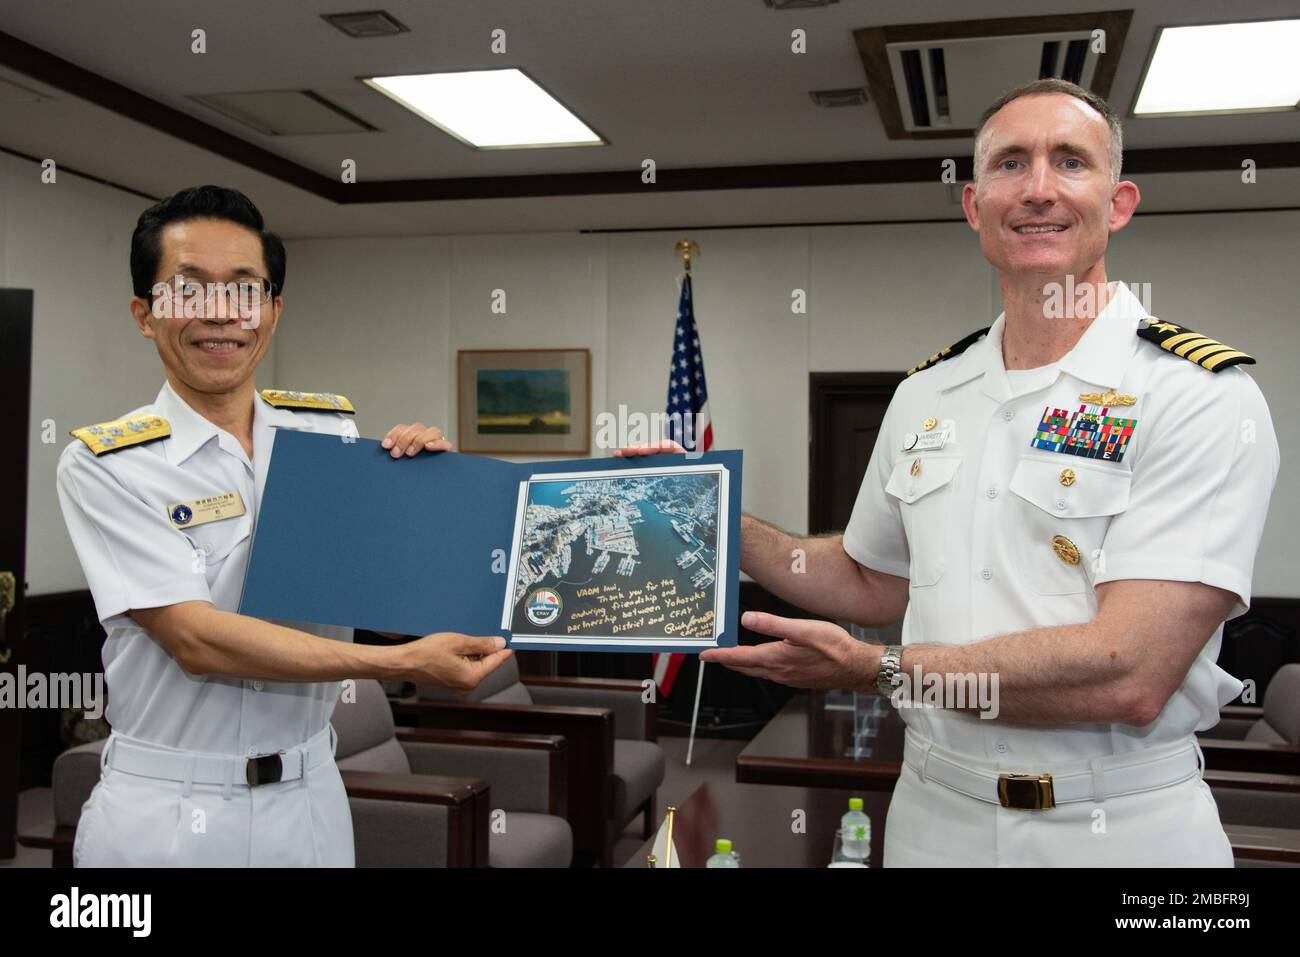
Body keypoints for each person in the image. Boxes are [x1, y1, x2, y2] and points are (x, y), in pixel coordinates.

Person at [624, 79, 1278, 866]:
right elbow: (872, 579)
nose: (1038, 188)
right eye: (1010, 164)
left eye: (1070, 162)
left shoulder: (1196, 394)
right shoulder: (927, 393)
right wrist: (711, 514)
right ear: (974, 206)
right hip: (933, 818)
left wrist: (879, 668)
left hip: (1120, 826)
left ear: (1120, 201)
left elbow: (1130, 674)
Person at [56, 185, 511, 867]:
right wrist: (397, 665)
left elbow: (366, 598)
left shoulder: (324, 435)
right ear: (145, 314)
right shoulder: (108, 464)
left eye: (244, 289)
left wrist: (426, 508)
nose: (220, 314)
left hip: (312, 802)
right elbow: (198, 639)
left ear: (271, 311)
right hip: (169, 815)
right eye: (189, 290)